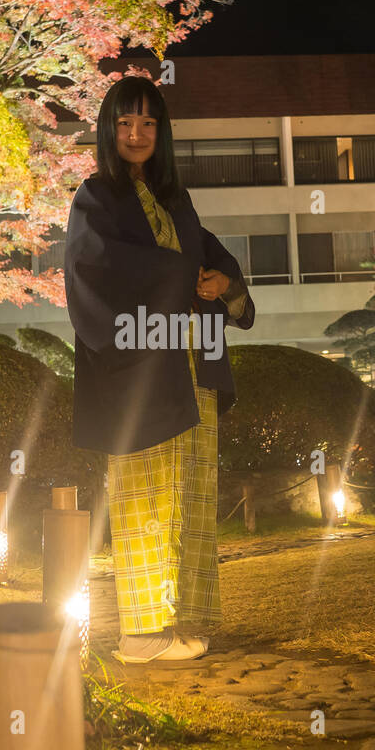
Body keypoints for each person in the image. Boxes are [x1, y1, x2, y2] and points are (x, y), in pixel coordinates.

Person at [64, 76, 255, 663]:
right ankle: (140, 632)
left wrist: (227, 287)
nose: (136, 134)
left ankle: (186, 620)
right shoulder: (96, 198)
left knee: (192, 499)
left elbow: (215, 262)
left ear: (162, 132)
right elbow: (95, 274)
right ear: (109, 129)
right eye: (124, 123)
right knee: (145, 498)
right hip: (140, 372)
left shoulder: (177, 200)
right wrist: (178, 276)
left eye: (148, 124)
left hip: (193, 365)